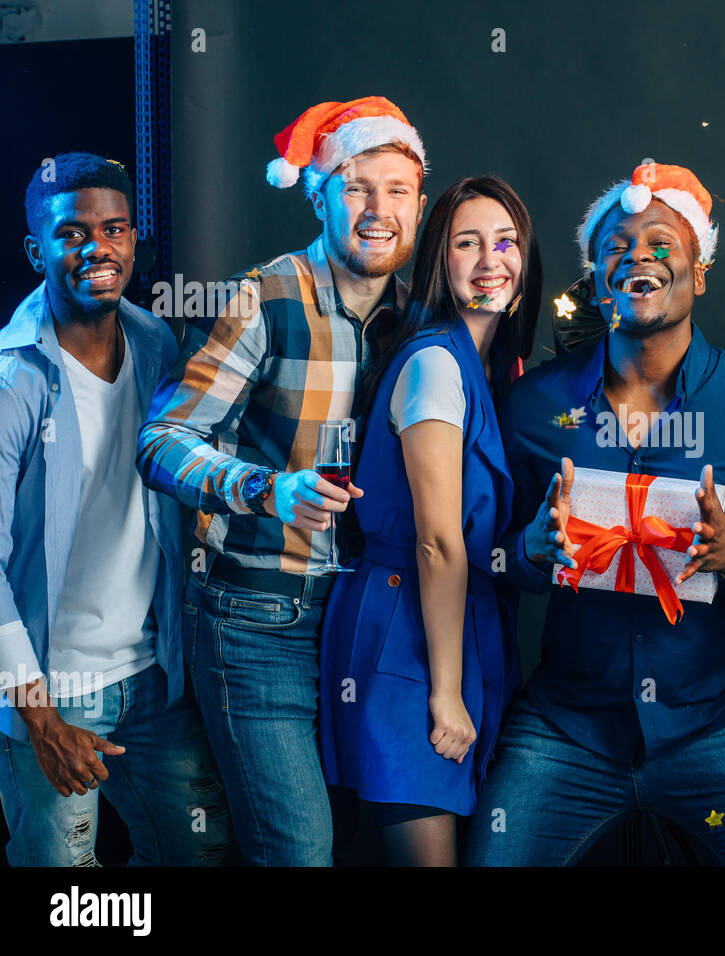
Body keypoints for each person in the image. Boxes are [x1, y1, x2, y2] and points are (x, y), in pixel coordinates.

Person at [465, 161, 725, 866]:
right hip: (568, 726)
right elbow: (487, 557)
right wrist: (532, 548)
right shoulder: (532, 406)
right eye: (616, 248)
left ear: (700, 272)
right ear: (598, 281)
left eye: (662, 243)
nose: (638, 256)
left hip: (718, 727)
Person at [137, 97, 427, 865]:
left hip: (366, 622)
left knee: (363, 840)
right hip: (257, 621)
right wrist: (270, 489)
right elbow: (161, 441)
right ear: (318, 194)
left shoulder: (420, 318)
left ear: (419, 204)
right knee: (298, 851)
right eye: (357, 186)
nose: (378, 209)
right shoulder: (261, 298)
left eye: (397, 190)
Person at [0, 153, 229, 866]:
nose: (98, 248)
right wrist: (38, 719)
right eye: (72, 235)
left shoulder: (157, 342)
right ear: (38, 250)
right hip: (56, 692)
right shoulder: (14, 378)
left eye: (116, 228)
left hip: (153, 678)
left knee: (201, 852)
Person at [319, 176, 541, 866]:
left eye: (504, 243)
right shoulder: (436, 363)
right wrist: (446, 690)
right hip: (403, 634)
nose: (488, 261)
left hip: (449, 625)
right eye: (465, 243)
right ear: (438, 262)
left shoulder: (487, 367)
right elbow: (440, 541)